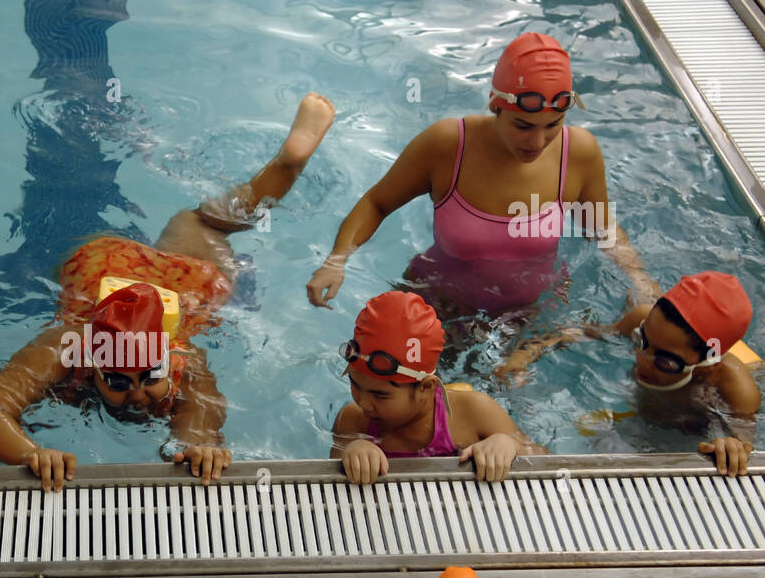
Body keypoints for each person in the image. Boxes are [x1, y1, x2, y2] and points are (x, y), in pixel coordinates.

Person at [0, 92, 337, 490]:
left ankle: (289, 162)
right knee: (197, 223)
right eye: (118, 382)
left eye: (150, 376)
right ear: (93, 361)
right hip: (113, 264)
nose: (138, 395)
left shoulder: (184, 359)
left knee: (211, 220)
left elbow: (200, 426)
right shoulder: (67, 346)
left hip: (163, 275)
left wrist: (199, 449)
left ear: (167, 358)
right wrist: (28, 454)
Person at [306, 33, 660, 321]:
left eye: (553, 125)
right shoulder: (448, 145)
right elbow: (377, 202)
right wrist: (335, 261)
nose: (537, 142)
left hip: (529, 313)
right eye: (523, 126)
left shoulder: (579, 152)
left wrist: (638, 278)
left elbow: (599, 225)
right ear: (495, 104)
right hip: (437, 302)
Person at [495, 271, 759, 475]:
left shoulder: (739, 393)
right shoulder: (642, 318)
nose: (643, 360)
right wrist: (522, 356)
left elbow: (743, 445)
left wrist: (731, 446)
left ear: (708, 367)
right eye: (640, 340)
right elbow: (581, 332)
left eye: (664, 362)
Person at [333, 291, 546, 484]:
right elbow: (330, 481)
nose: (363, 403)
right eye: (355, 384)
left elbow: (545, 458)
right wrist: (351, 453)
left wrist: (508, 445)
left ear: (426, 387)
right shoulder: (353, 420)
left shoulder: (474, 411)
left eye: (380, 395)